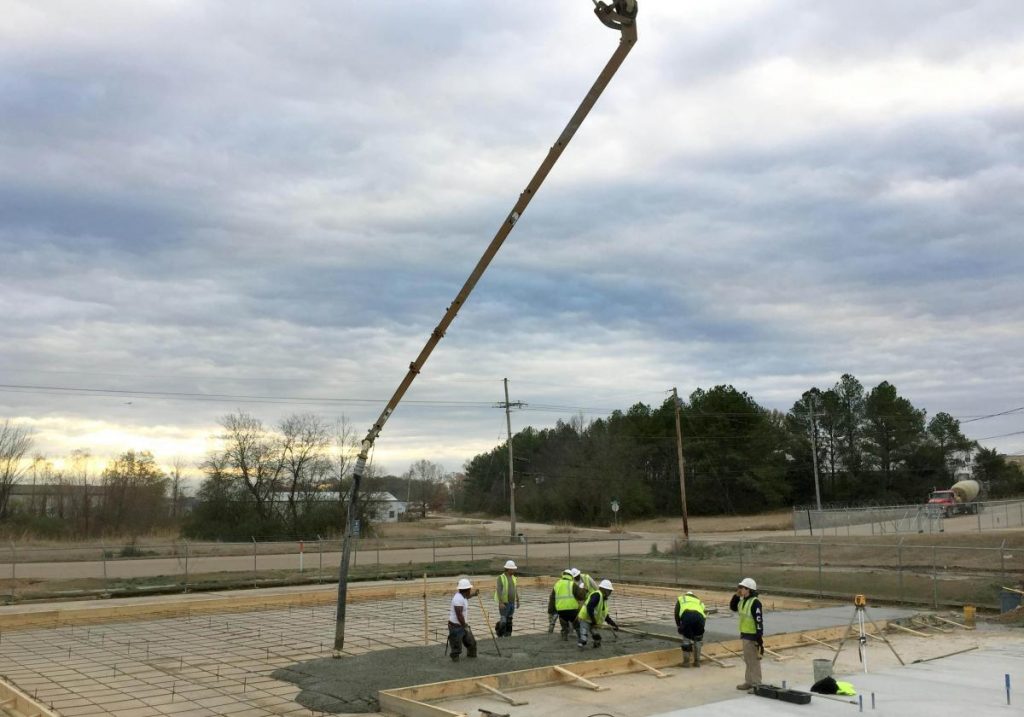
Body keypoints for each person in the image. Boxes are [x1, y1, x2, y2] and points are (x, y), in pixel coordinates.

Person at [729, 577, 764, 690]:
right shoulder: (743, 601)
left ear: (748, 589)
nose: (740, 589)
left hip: (752, 636)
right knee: (748, 660)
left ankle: (757, 684)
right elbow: (733, 607)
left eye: (742, 587)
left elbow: (758, 620)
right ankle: (749, 682)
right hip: (745, 635)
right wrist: (736, 595)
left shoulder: (755, 602)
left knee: (753, 661)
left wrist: (759, 638)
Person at [577, 578, 619, 649]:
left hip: (592, 621)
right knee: (583, 637)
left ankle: (596, 645)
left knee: (597, 637)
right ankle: (580, 646)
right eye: (609, 591)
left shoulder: (603, 600)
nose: (610, 593)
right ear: (604, 590)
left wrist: (613, 625)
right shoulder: (597, 595)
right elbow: (589, 607)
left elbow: (605, 616)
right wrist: (593, 620)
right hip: (585, 618)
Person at [448, 577, 478, 661]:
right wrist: (465, 626)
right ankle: (455, 660)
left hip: (462, 624)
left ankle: (472, 657)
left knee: (472, 643)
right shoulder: (457, 599)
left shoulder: (463, 596)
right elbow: (459, 615)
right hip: (456, 626)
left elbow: (467, 597)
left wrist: (474, 595)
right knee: (456, 648)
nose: (470, 590)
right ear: (466, 589)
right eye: (470, 589)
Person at [675, 590, 707, 667]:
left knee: (686, 639)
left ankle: (686, 663)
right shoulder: (699, 601)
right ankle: (697, 662)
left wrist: (679, 626)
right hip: (700, 619)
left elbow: (676, 613)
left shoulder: (682, 599)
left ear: (686, 594)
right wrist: (700, 630)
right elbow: (704, 615)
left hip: (687, 616)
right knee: (698, 640)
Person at [547, 569, 581, 640]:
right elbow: (580, 595)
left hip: (561, 610)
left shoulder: (557, 584)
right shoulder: (572, 584)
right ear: (571, 576)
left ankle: (564, 635)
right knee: (576, 624)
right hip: (572, 609)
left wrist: (550, 610)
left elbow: (552, 598)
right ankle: (580, 637)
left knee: (564, 623)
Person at [494, 559, 520, 637]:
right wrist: (500, 602)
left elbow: (515, 589)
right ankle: (499, 633)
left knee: (509, 620)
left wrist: (518, 600)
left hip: (512, 603)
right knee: (503, 620)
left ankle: (508, 635)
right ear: (508, 569)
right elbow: (499, 590)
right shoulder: (501, 578)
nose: (514, 571)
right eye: (512, 569)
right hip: (504, 603)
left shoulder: (514, 578)